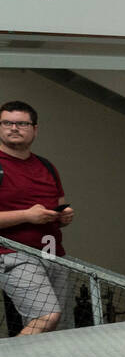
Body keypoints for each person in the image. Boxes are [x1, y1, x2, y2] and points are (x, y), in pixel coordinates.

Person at [0, 100, 74, 335]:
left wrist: (64, 216)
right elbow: (30, 214)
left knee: (61, 329)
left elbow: (59, 205)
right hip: (14, 255)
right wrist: (27, 216)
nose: (13, 128)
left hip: (53, 254)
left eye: (21, 123)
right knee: (46, 317)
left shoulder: (46, 165)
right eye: (7, 123)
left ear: (35, 129)